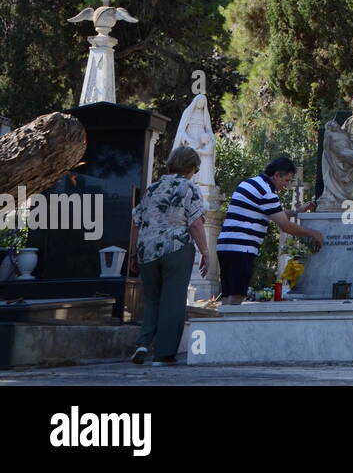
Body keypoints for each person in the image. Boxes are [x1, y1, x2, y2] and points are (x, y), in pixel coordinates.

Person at [129, 146, 208, 366]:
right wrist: (205, 252)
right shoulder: (189, 188)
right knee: (173, 301)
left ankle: (143, 343)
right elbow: (195, 223)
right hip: (176, 248)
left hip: (148, 249)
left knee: (152, 299)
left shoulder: (152, 189)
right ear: (191, 168)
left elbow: (136, 222)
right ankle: (164, 354)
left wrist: (135, 252)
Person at [216, 155, 323, 306]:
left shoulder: (251, 183)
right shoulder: (266, 191)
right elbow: (285, 226)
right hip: (242, 248)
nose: (286, 185)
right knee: (236, 298)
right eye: (286, 180)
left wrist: (297, 211)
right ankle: (228, 328)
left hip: (226, 246)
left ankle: (221, 328)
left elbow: (270, 213)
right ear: (277, 175)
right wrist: (313, 233)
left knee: (227, 297)